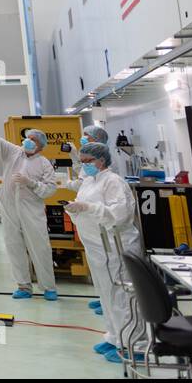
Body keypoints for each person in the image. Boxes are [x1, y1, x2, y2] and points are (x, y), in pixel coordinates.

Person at [0, 109, 58, 300]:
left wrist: (31, 183)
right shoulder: (13, 152)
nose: (28, 141)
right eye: (27, 138)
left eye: (33, 140)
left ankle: (49, 288)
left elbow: (50, 189)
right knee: (14, 246)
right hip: (9, 208)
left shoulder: (44, 163)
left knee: (40, 248)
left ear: (40, 146)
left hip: (31, 211)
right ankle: (23, 286)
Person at [66, 141, 144, 363]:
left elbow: (120, 214)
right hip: (96, 247)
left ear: (101, 160)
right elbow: (85, 207)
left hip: (116, 246)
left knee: (122, 295)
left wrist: (89, 208)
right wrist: (75, 209)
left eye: (88, 161)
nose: (85, 165)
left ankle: (134, 344)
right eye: (82, 162)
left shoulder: (113, 181)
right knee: (106, 294)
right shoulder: (89, 181)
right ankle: (114, 337)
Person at [78, 124, 109, 315]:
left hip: (103, 232)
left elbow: (116, 211)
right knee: (97, 268)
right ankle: (103, 298)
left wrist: (86, 207)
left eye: (86, 136)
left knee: (107, 269)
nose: (83, 138)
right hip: (90, 230)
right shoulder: (92, 176)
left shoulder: (111, 180)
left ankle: (109, 301)